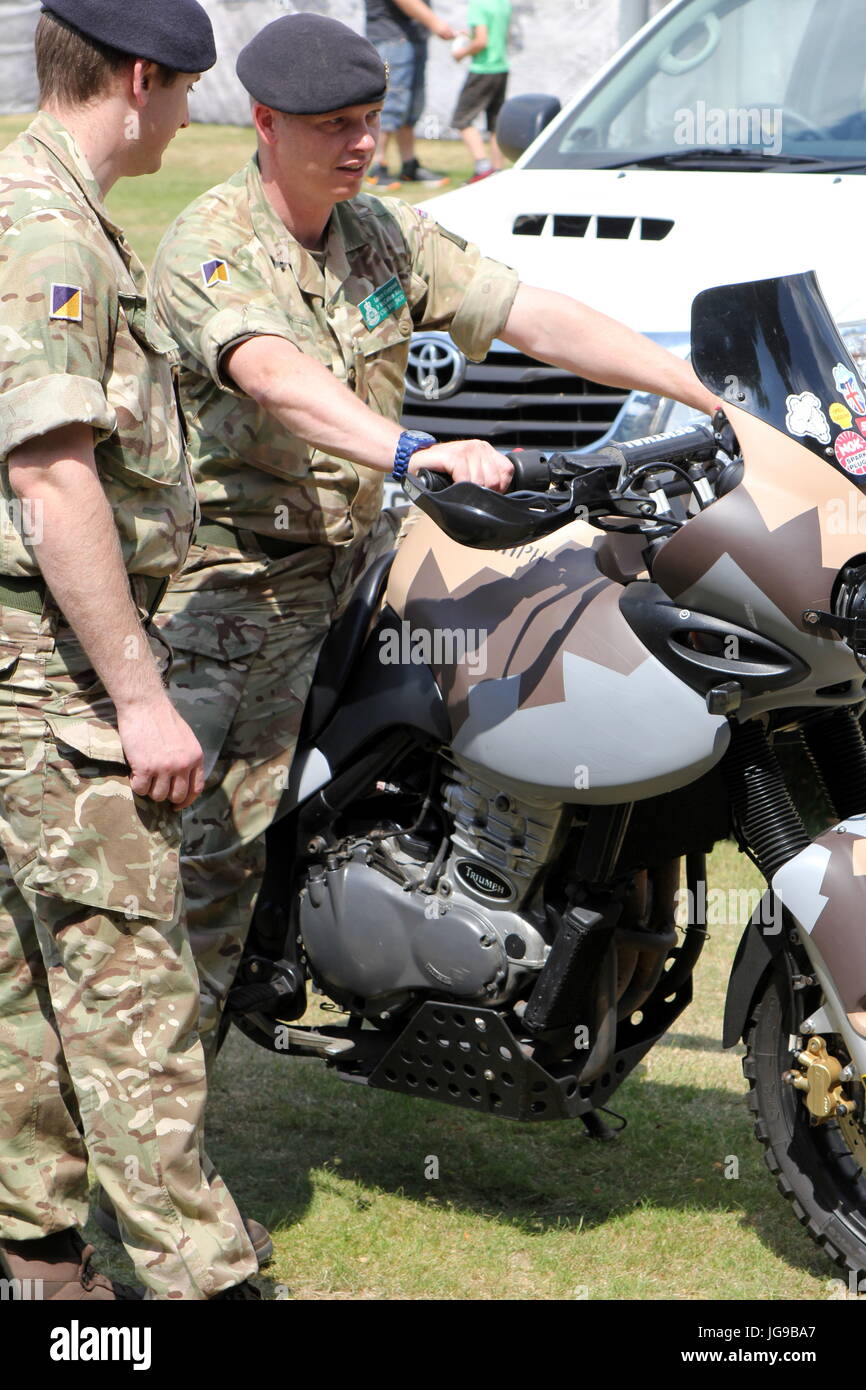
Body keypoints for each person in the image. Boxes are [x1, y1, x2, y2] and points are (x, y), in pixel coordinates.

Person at [141, 7, 719, 1227]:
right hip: (241, 582)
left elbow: (525, 310)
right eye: (333, 128)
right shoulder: (212, 241)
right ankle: (157, 1171)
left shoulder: (381, 232)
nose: (361, 144)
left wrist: (690, 386)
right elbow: (274, 376)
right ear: (265, 125)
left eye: (369, 121)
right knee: (210, 866)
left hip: (374, 552)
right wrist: (414, 447)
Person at [0, 1, 260, 1300]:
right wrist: (141, 698)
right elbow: (52, 478)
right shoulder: (52, 232)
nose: (194, 117)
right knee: (132, 989)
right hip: (55, 664)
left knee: (24, 981)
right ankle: (198, 1281)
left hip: (25, 659)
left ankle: (41, 1261)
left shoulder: (27, 198)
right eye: (190, 91)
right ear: (142, 79)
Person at [364, 0, 454, 188]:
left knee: (410, 106)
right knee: (389, 103)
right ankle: (377, 167)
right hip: (391, 39)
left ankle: (409, 165)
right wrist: (435, 23)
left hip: (412, 39)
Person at [452, 0, 512, 181]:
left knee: (462, 119)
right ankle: (497, 171)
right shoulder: (503, 4)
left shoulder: (478, 5)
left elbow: (481, 41)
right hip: (501, 68)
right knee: (495, 124)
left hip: (482, 70)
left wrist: (461, 53)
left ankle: (482, 168)